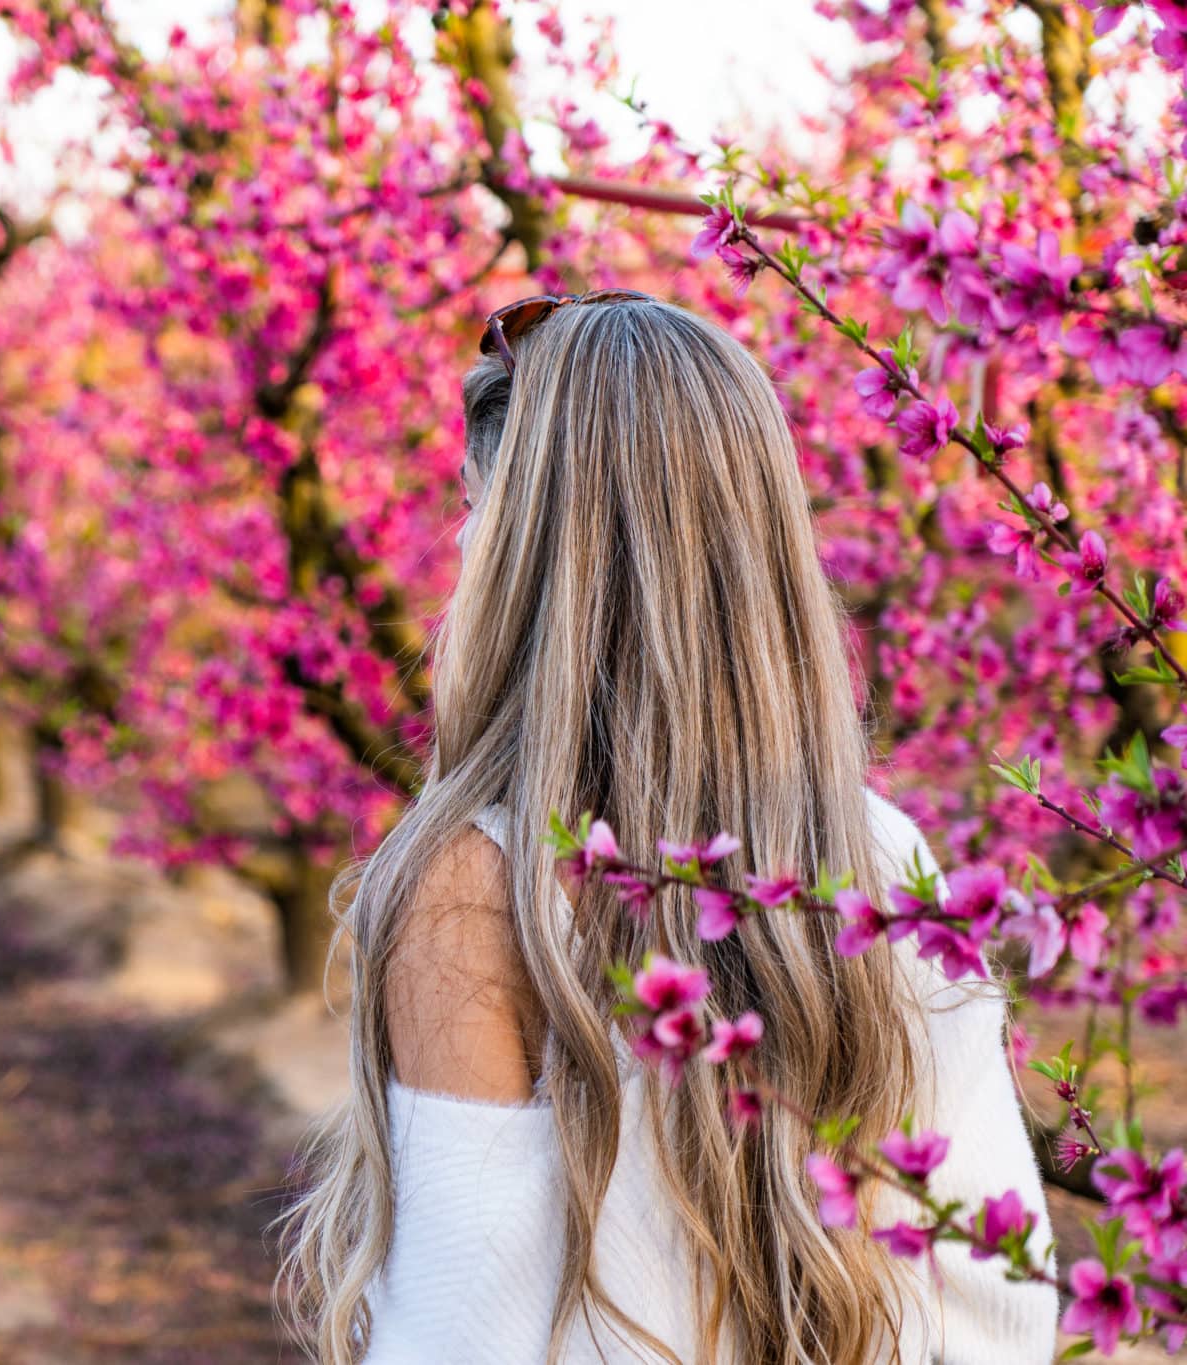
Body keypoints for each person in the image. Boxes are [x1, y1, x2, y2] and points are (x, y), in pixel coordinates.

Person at [275, 292, 1058, 1363]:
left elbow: (461, 1342)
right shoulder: (881, 857)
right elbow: (995, 1307)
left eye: (475, 510)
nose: (458, 545)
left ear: (521, 553)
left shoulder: (481, 886)